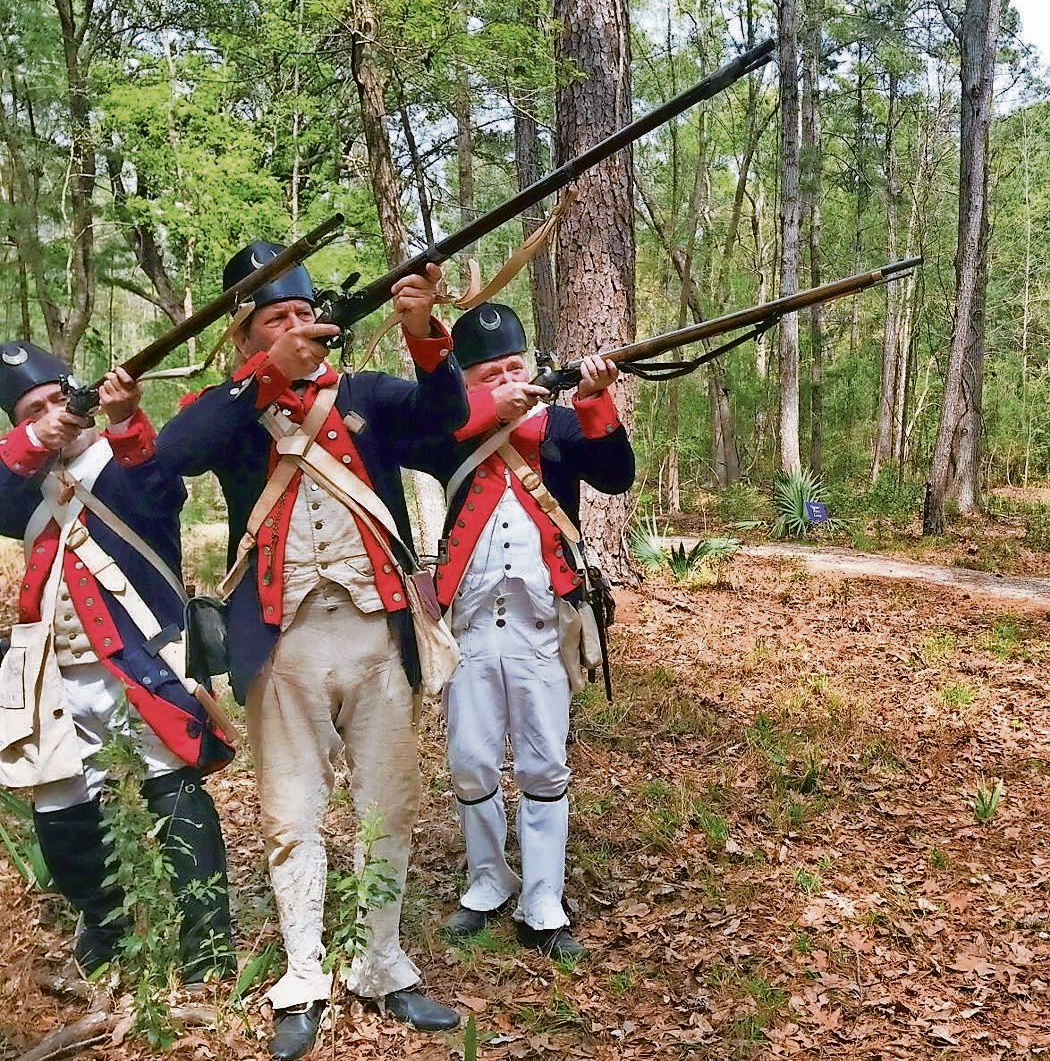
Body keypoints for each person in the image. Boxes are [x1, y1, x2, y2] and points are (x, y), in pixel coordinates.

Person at [154, 243, 467, 1060]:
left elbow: (446, 417)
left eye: (302, 315)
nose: (296, 328)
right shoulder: (230, 405)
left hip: (375, 636)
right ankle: (302, 972)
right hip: (281, 644)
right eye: (274, 320)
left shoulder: (364, 396)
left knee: (386, 807)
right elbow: (174, 454)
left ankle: (382, 961)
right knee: (292, 819)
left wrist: (422, 327)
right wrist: (264, 377)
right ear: (244, 336)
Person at [398, 302, 633, 962]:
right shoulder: (453, 429)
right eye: (489, 374)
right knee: (470, 760)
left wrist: (593, 399)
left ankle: (542, 899)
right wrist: (485, 411)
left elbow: (616, 475)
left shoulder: (559, 423)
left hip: (541, 621)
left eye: (513, 367)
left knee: (541, 761)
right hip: (469, 620)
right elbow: (412, 440)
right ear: (467, 384)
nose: (506, 379)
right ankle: (485, 880)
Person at [0, 343, 235, 983]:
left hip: (135, 668)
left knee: (173, 794)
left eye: (59, 400)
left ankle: (207, 948)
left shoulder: (123, 465)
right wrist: (31, 442)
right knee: (61, 812)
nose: (55, 414)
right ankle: (105, 931)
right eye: (34, 409)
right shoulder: (25, 486)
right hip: (54, 676)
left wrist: (128, 418)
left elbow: (160, 492)